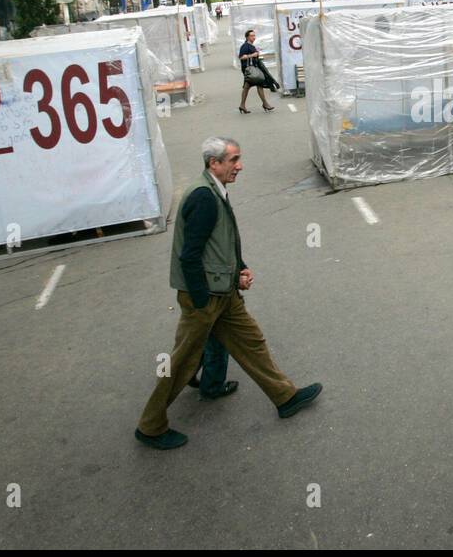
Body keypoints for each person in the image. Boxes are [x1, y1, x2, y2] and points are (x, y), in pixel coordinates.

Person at [135, 137, 322, 449]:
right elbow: (190, 255)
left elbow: (218, 245)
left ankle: (285, 396)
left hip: (222, 293)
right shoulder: (204, 198)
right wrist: (200, 301)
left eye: (239, 159)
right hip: (207, 297)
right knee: (181, 363)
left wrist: (239, 270)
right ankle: (150, 426)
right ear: (214, 164)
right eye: (233, 160)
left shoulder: (213, 190)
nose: (240, 166)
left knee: (251, 342)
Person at [238, 29, 279, 113]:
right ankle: (265, 104)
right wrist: (253, 55)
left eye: (254, 35)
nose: (254, 37)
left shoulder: (251, 46)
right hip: (250, 69)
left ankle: (243, 105)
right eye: (252, 36)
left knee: (248, 87)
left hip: (252, 70)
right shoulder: (245, 46)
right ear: (247, 37)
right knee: (257, 85)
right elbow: (241, 57)